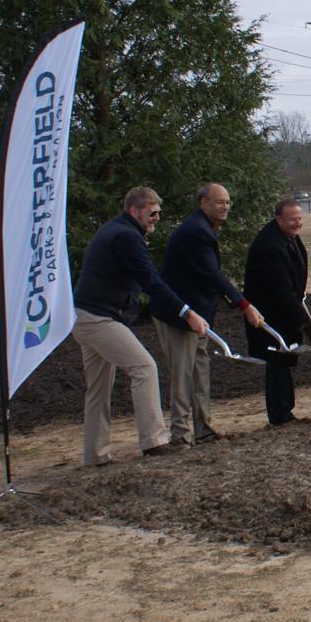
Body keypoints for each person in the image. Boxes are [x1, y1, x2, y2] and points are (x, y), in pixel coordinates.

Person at [72, 187, 208, 466]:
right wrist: (187, 313)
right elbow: (151, 281)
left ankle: (95, 455)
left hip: (84, 315)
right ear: (134, 210)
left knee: (98, 388)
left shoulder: (118, 230)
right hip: (98, 317)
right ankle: (154, 442)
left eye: (159, 212)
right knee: (144, 368)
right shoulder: (126, 236)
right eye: (152, 212)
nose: (157, 218)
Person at [149, 182, 263, 444]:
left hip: (197, 316)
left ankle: (203, 430)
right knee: (183, 373)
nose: (225, 207)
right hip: (177, 314)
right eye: (219, 201)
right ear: (203, 203)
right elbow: (212, 274)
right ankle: (180, 433)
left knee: (200, 371)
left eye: (227, 202)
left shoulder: (204, 228)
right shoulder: (196, 231)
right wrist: (244, 305)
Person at [243, 197, 308, 426]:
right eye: (292, 219)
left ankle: (285, 411)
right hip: (270, 314)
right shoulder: (269, 246)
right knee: (277, 361)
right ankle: (280, 415)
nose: (297, 223)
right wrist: (306, 322)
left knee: (283, 360)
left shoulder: (290, 239)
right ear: (278, 219)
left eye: (299, 218)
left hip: (284, 311)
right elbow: (282, 290)